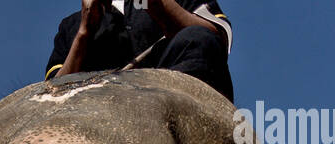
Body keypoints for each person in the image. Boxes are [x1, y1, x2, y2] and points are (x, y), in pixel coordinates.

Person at [46, 0, 234, 102]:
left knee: (195, 36)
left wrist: (159, 6)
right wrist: (84, 33)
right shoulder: (71, 25)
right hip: (98, 114)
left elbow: (212, 39)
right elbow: (51, 93)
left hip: (169, 101)